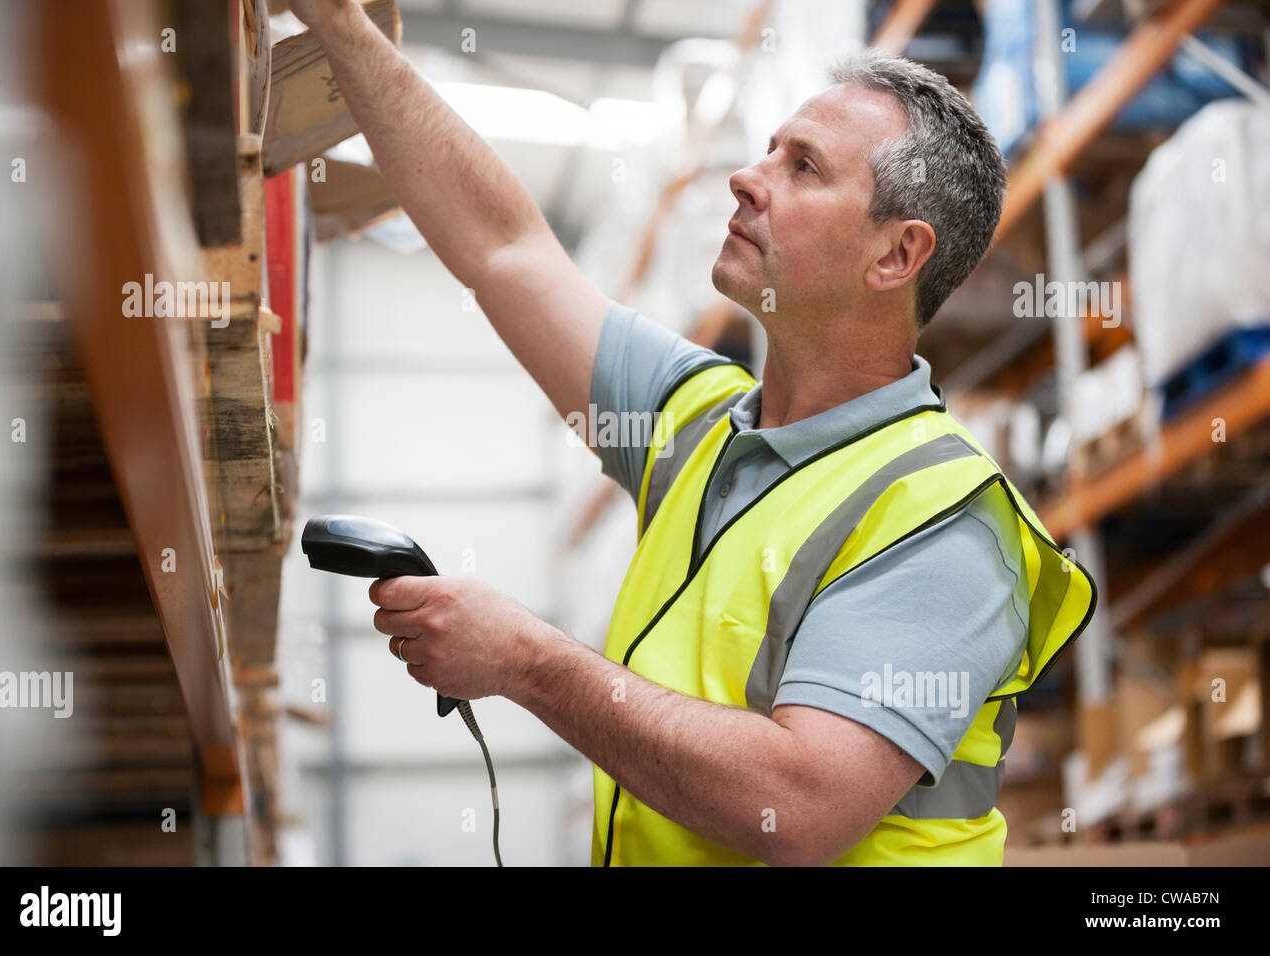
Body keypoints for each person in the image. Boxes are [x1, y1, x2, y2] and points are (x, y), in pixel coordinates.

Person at [289, 0, 1096, 866]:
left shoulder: (944, 518)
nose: (747, 178)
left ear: (895, 256)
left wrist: (526, 660)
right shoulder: (695, 425)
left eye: (805, 167)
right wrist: (342, 26)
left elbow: (799, 805)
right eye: (769, 150)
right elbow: (504, 248)